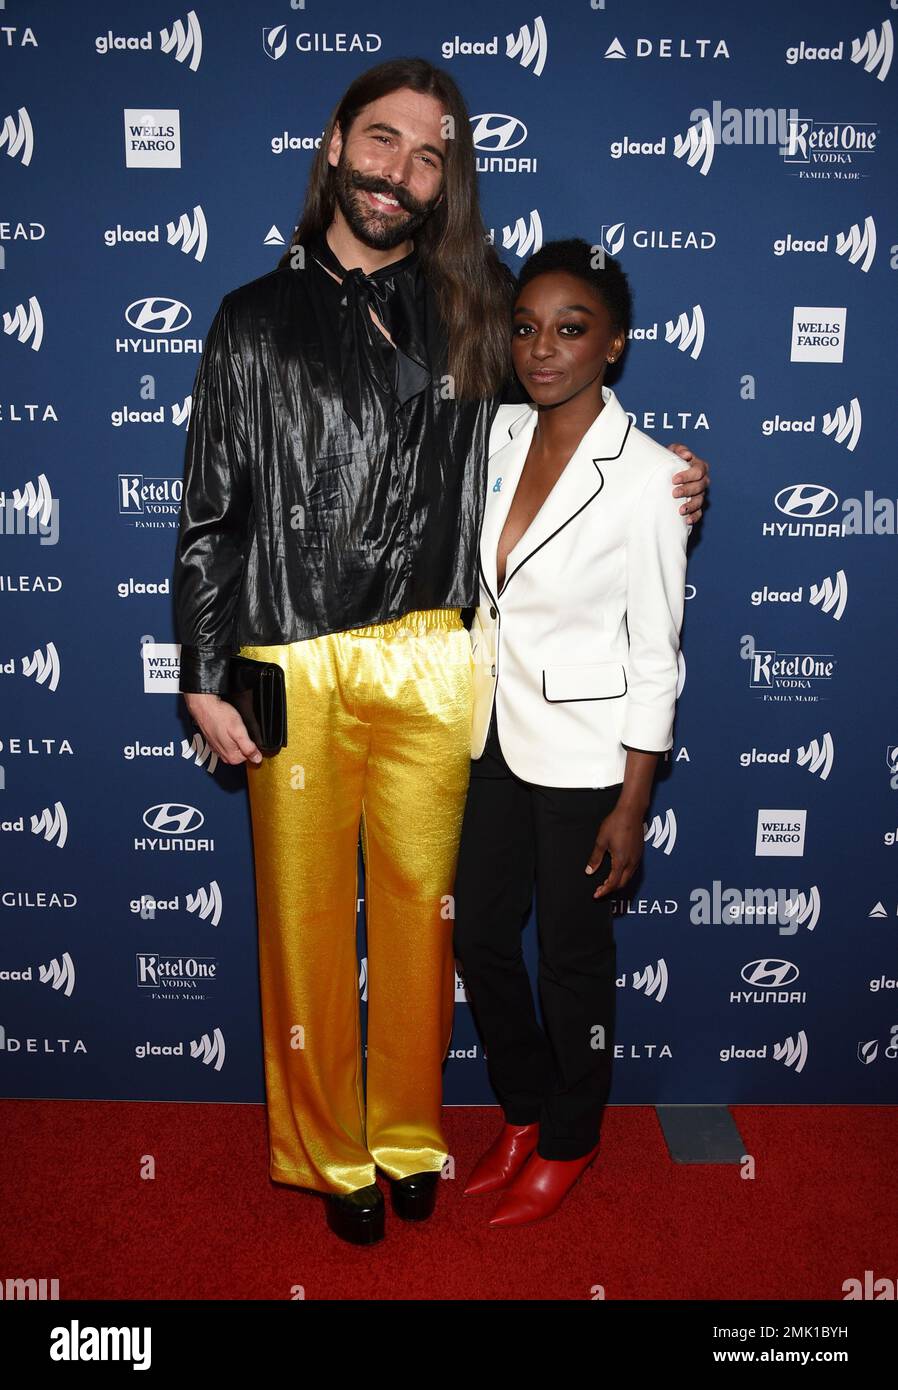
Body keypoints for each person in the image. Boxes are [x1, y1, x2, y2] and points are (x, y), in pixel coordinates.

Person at [172, 59, 709, 1246]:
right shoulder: (250, 318)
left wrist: (674, 477)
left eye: (428, 156)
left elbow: (572, 389)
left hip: (435, 662)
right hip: (293, 661)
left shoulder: (475, 307)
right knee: (307, 927)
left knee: (424, 922)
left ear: (445, 178)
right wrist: (203, 671)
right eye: (382, 142)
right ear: (333, 146)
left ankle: (410, 1132)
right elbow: (211, 511)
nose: (399, 174)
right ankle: (325, 1154)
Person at [453, 239, 690, 1227]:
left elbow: (656, 651)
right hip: (492, 736)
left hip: (590, 756)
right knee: (480, 937)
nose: (541, 349)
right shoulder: (497, 434)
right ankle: (521, 1106)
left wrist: (633, 802)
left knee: (573, 960)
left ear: (615, 345)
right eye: (525, 327)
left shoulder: (649, 478)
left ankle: (571, 1136)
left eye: (570, 329)